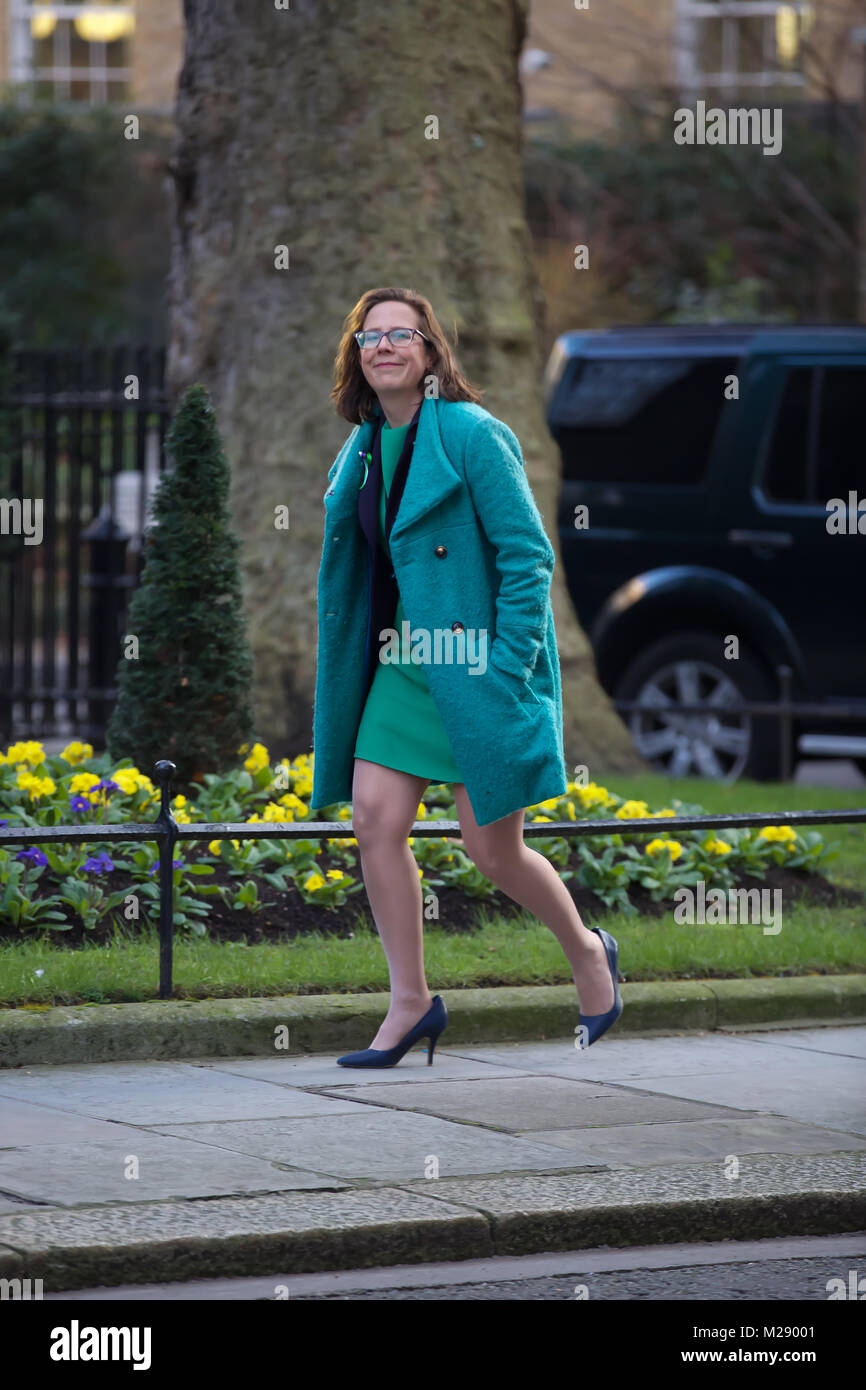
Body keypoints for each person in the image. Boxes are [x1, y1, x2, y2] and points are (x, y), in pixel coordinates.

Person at [311, 286, 623, 1067]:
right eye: (370, 336)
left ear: (429, 353)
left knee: (493, 851)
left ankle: (588, 952)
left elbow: (528, 556)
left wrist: (508, 665)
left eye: (402, 334)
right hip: (402, 666)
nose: (385, 346)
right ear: (357, 355)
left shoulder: (474, 434)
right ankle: (410, 1002)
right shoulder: (360, 451)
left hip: (475, 668)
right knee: (374, 820)